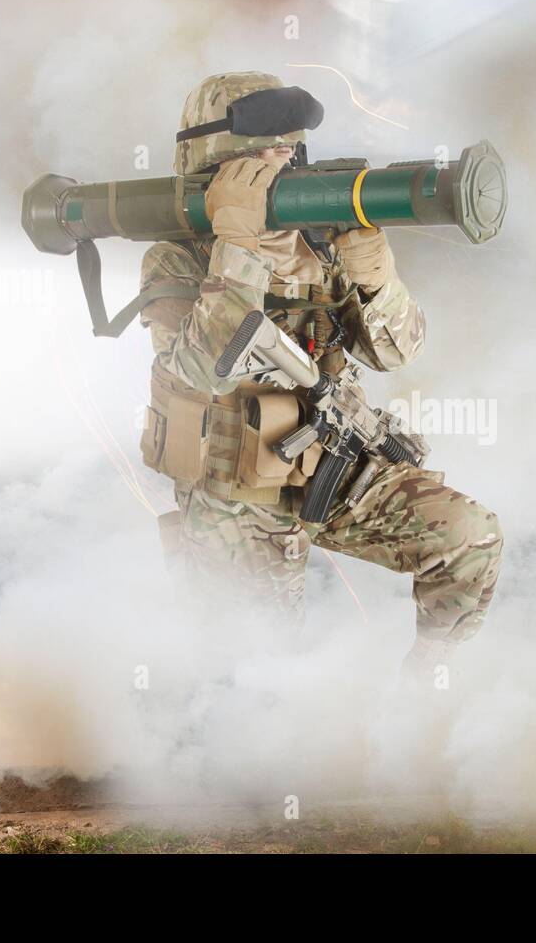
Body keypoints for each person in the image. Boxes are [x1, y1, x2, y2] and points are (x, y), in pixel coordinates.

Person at [137, 72, 501, 679]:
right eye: (261, 146)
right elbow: (203, 373)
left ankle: (428, 687)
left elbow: (394, 352)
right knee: (257, 673)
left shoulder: (320, 239)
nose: (281, 156)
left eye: (288, 144)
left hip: (331, 458)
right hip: (236, 492)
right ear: (216, 156)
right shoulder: (178, 255)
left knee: (469, 537)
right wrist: (238, 245)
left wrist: (377, 280)